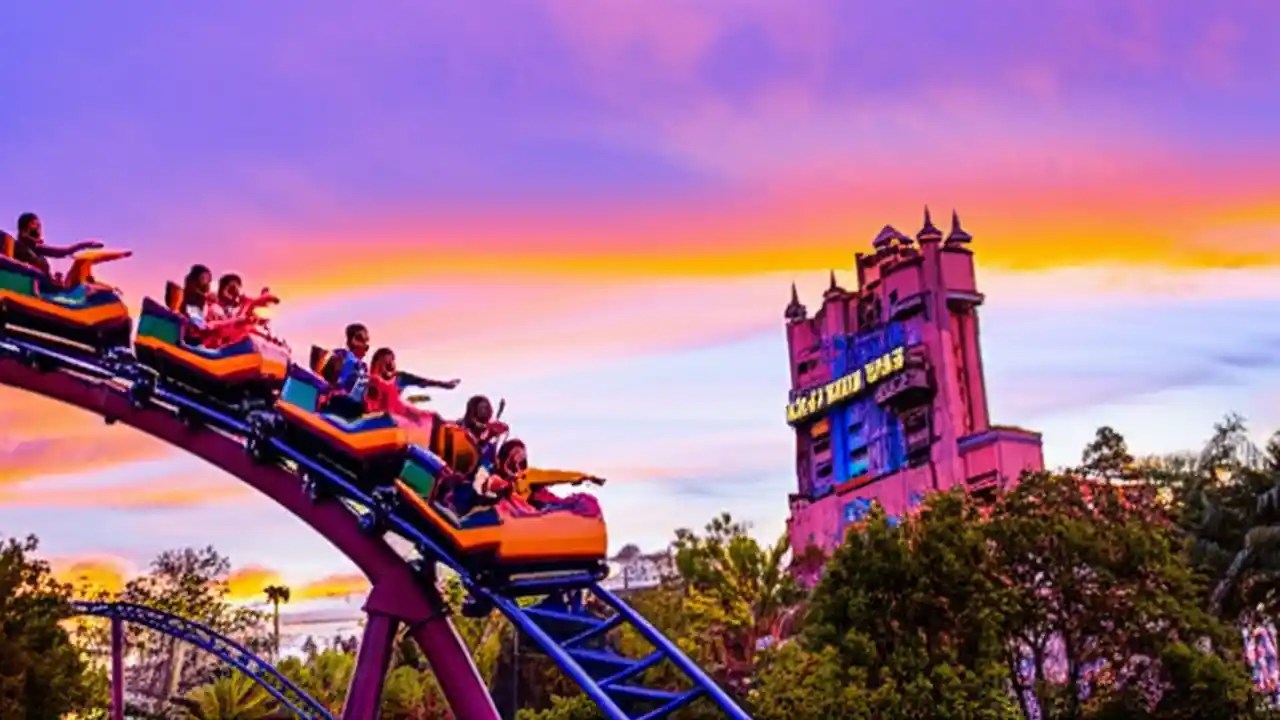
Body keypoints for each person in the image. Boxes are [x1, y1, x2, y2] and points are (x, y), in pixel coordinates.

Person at [479, 439, 602, 519]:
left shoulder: (528, 475)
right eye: (512, 461)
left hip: (528, 514)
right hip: (506, 516)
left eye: (521, 461)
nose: (517, 466)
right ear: (503, 460)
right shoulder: (495, 475)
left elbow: (555, 475)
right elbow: (486, 485)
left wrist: (584, 477)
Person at [364, 348, 442, 447]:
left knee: (432, 418)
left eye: (392, 361)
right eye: (386, 362)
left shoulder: (397, 378)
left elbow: (421, 381)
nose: (390, 365)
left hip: (400, 416)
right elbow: (370, 406)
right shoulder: (373, 381)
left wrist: (443, 384)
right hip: (386, 424)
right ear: (377, 364)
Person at [12, 213, 103, 281]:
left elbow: (64, 252)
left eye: (39, 225)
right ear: (25, 228)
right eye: (35, 224)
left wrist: (84, 245)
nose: (38, 228)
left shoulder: (36, 249)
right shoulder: (18, 247)